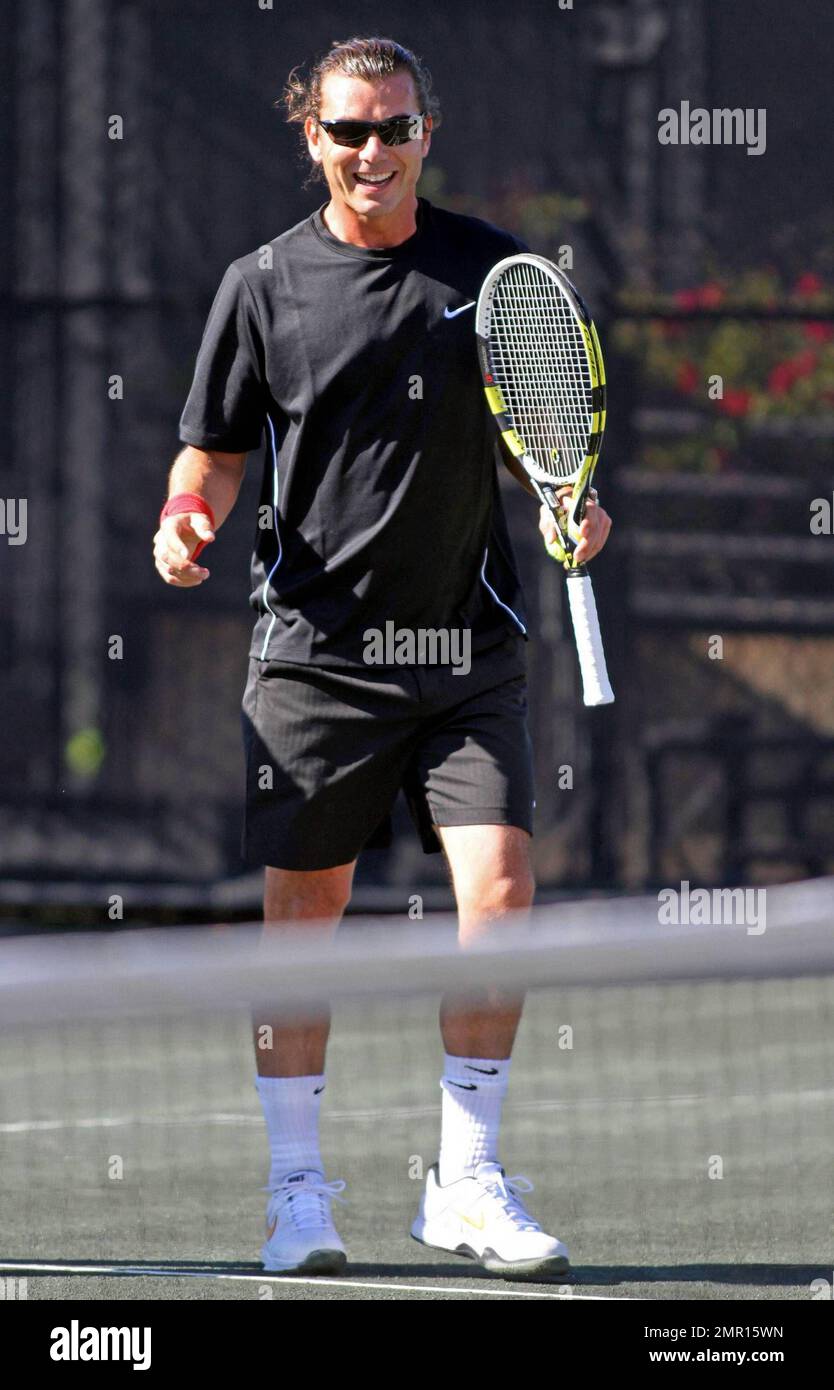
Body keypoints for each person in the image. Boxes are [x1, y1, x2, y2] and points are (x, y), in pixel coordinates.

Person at [154, 35, 611, 1281]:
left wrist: (573, 498)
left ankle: (464, 1185)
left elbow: (535, 437)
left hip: (471, 656)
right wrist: (182, 518)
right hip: (314, 662)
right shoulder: (259, 285)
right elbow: (212, 451)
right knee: (304, 927)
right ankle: (297, 1196)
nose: (371, 152)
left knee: (502, 909)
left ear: (428, 133)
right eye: (348, 130)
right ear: (311, 136)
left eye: (394, 129)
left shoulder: (489, 270)